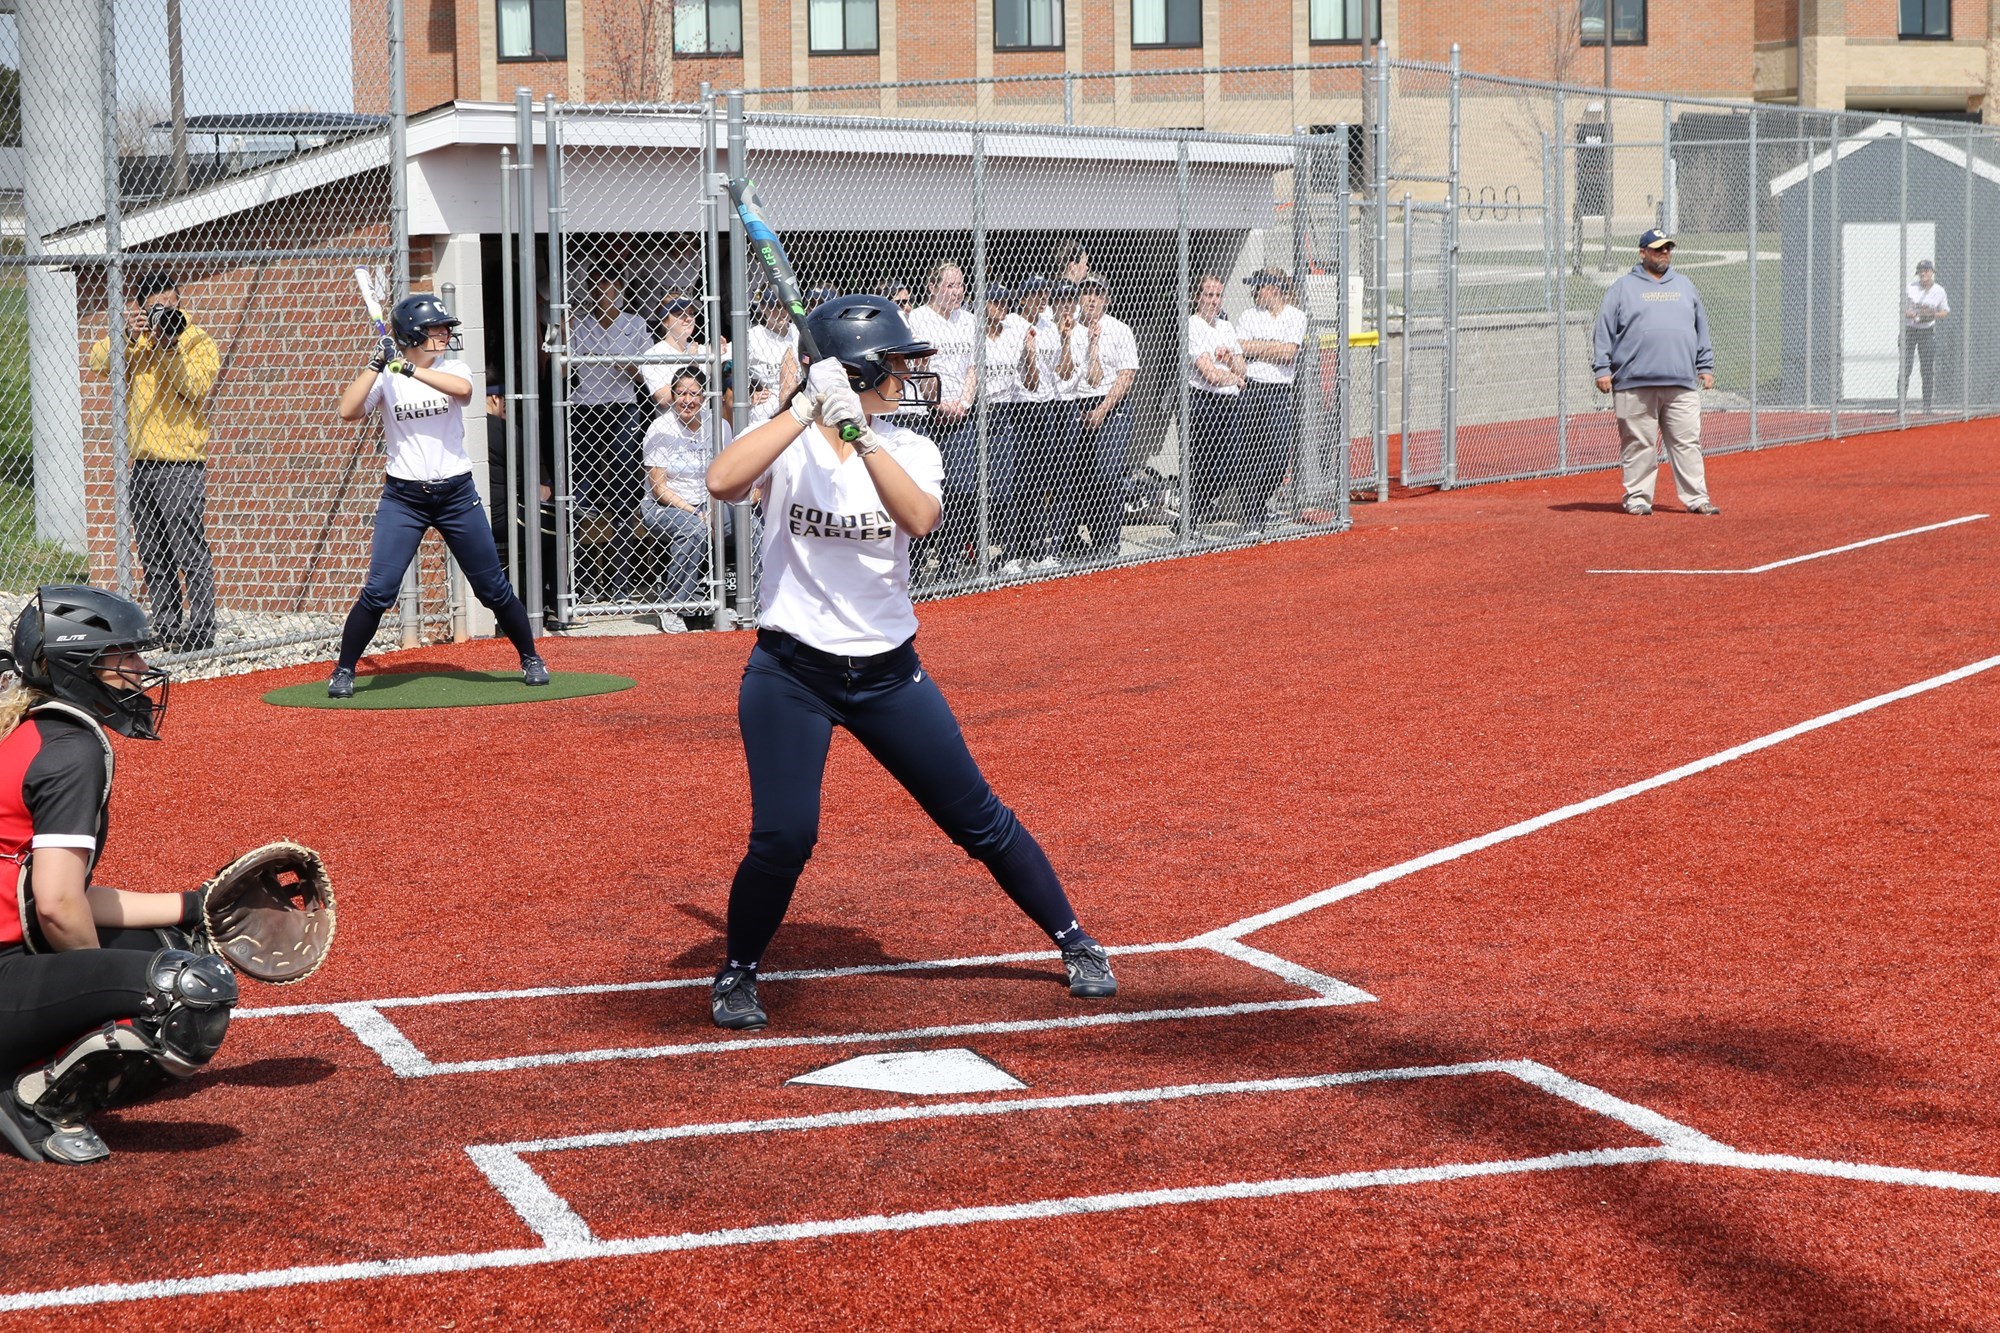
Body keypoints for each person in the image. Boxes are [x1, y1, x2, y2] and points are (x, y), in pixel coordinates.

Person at [700, 294, 1117, 1031]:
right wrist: (801, 411)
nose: (906, 376)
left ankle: (1075, 939)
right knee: (785, 835)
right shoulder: (788, 442)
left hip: (887, 674)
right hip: (790, 674)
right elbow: (722, 481)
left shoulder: (910, 448)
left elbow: (919, 518)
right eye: (892, 364)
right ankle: (737, 972)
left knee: (977, 818)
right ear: (856, 369)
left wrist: (858, 431)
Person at [0, 586, 238, 1165]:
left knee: (168, 943)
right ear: (77, 666)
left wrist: (192, 906)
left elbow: (45, 895)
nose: (139, 668)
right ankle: (29, 1097)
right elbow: (56, 905)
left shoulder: (26, 730)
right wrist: (96, 998)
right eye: (124, 654)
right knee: (188, 987)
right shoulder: (71, 751)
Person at [328, 294, 549, 697]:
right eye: (436, 329)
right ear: (413, 333)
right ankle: (344, 669)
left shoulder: (452, 367)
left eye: (445, 328)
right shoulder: (387, 376)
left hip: (456, 495)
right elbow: (348, 410)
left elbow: (462, 391)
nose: (445, 334)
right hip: (404, 499)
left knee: (492, 588)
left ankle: (531, 657)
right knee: (379, 590)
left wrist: (410, 368)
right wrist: (377, 365)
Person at [86, 273, 219, 652]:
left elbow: (194, 387)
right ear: (141, 309)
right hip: (142, 463)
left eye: (171, 305)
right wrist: (130, 335)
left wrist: (168, 345)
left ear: (179, 301)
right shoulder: (136, 341)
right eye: (157, 308)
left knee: (188, 548)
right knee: (153, 550)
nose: (166, 314)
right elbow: (97, 361)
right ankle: (167, 626)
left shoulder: (197, 340)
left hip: (181, 462)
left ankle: (202, 628)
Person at [1591, 229, 1719, 518]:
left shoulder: (1685, 286)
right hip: (1634, 383)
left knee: (1687, 443)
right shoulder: (1622, 288)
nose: (1664, 253)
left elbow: (1701, 328)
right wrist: (1602, 368)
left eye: (1668, 249)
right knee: (1639, 444)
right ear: (1643, 252)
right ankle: (1638, 498)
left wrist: (1705, 365)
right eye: (1658, 248)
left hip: (1681, 382)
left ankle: (1697, 498)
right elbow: (1603, 330)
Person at [567, 272, 653, 600]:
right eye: (599, 288)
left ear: (620, 291)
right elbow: (563, 369)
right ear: (591, 291)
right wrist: (562, 331)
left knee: (623, 471)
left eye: (612, 288)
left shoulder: (635, 323)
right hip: (586, 404)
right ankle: (580, 579)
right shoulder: (580, 323)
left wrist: (626, 366)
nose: (606, 295)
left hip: (622, 403)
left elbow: (647, 371)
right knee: (582, 475)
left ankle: (621, 580)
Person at [639, 367, 734, 627]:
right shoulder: (661, 428)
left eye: (694, 394)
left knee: (749, 522)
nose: (687, 400)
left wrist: (712, 508)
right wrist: (695, 512)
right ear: (672, 396)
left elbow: (725, 473)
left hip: (709, 500)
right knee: (694, 529)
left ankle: (749, 602)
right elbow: (659, 488)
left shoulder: (719, 426)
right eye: (681, 393)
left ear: (704, 397)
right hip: (665, 505)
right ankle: (673, 605)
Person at [905, 261, 980, 577]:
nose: (957, 292)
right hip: (927, 414)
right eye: (950, 285)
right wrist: (938, 404)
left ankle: (950, 561)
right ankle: (916, 562)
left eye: (960, 285)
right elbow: (918, 369)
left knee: (960, 489)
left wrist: (963, 403)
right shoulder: (918, 319)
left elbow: (973, 368)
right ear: (932, 287)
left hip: (961, 414)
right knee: (921, 486)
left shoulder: (969, 320)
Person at [1061, 273, 1139, 560]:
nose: (1091, 299)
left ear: (1106, 298)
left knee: (1107, 473)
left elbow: (1126, 375)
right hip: (1076, 404)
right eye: (1086, 293)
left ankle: (1108, 541)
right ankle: (1075, 538)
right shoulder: (1069, 327)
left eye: (1097, 294)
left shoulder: (1119, 329)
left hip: (1112, 405)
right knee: (1077, 476)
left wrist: (1102, 410)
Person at [1236, 268, 1308, 536]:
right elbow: (1241, 347)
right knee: (1249, 455)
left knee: (1277, 458)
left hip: (1279, 391)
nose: (1255, 292)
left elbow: (1289, 354)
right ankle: (1252, 517)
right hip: (1252, 388)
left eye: (1260, 287)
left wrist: (1258, 348)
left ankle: (1259, 503)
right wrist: (1272, 347)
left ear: (1275, 289)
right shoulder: (1249, 315)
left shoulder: (1296, 316)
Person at [1183, 273, 1247, 533]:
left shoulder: (1226, 326)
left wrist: (1230, 360)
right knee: (1203, 465)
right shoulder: (1193, 325)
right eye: (1209, 295)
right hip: (1204, 402)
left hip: (1229, 403)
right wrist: (1234, 377)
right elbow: (1209, 374)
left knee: (1230, 465)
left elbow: (1242, 368)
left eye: (1218, 295)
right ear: (1197, 297)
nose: (1214, 300)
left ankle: (1189, 514)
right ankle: (1189, 521)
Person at [977, 284, 1030, 573]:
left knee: (1006, 487)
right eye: (996, 301)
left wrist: (1031, 353)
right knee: (970, 488)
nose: (1002, 306)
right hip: (976, 413)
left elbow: (1031, 382)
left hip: (1004, 413)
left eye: (1005, 301)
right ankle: (973, 551)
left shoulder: (1013, 331)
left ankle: (1008, 554)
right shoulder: (973, 331)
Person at [640, 295, 724, 415]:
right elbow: (662, 399)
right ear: (665, 322)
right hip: (671, 425)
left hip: (703, 422)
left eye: (691, 313)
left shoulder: (699, 349)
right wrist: (691, 366)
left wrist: (718, 354)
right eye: (680, 314)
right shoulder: (654, 354)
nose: (688, 318)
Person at [745, 289, 802, 427]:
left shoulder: (800, 332)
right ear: (763, 307)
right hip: (767, 408)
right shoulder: (752, 336)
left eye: (784, 306)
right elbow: (726, 365)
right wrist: (749, 395)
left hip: (801, 403)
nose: (781, 311)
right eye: (774, 306)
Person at [1900, 259, 1949, 414]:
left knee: (1927, 369)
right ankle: (1901, 406)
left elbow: (1945, 311)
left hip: (1927, 331)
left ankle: (1927, 407)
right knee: (1905, 368)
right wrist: (1908, 313)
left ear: (1932, 272)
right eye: (1921, 271)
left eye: (1926, 270)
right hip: (1910, 330)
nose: (1923, 273)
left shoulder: (1939, 291)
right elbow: (1902, 308)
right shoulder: (1910, 288)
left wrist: (1932, 314)